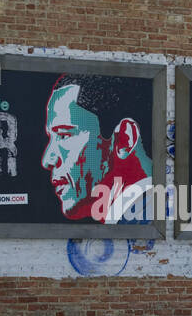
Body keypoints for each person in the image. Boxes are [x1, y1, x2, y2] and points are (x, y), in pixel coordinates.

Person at [40, 74, 152, 223]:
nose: (47, 160)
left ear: (125, 139)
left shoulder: (144, 224)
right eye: (51, 138)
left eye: (64, 135)